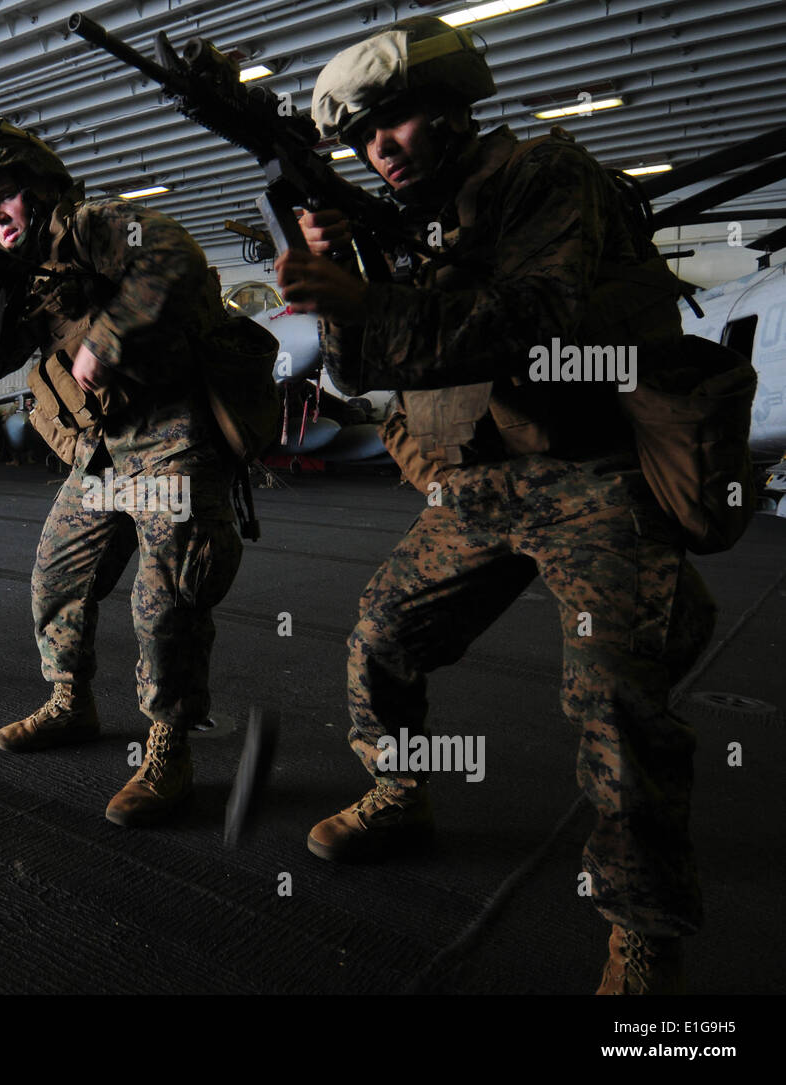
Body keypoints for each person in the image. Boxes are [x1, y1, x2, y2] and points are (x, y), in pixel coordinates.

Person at [274, 15, 716, 994]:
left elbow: (528, 322)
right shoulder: (407, 227)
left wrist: (369, 301)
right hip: (483, 478)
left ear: (451, 108)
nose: (379, 151)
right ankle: (400, 785)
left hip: (597, 469)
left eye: (393, 124)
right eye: (362, 140)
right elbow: (365, 372)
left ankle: (641, 928)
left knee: (611, 693)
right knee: (381, 636)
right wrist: (344, 282)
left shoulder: (542, 177)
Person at [0, 118, 266, 826]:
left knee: (166, 600)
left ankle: (168, 747)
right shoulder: (26, 276)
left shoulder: (90, 225)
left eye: (7, 195)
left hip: (173, 435)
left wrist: (106, 340)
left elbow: (173, 257)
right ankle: (69, 702)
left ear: (44, 191)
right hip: (103, 448)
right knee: (56, 574)